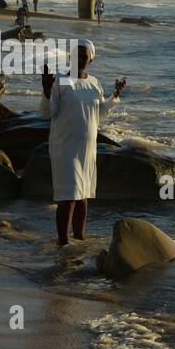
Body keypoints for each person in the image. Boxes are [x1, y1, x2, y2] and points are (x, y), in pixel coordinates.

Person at [40, 39, 126, 246]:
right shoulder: (60, 80)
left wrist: (115, 95)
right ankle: (63, 243)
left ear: (91, 59)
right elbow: (47, 112)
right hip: (65, 146)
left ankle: (79, 238)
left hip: (87, 148)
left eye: (84, 56)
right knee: (69, 195)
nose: (80, 59)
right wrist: (46, 90)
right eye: (76, 54)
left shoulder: (94, 83)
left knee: (83, 196)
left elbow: (100, 113)